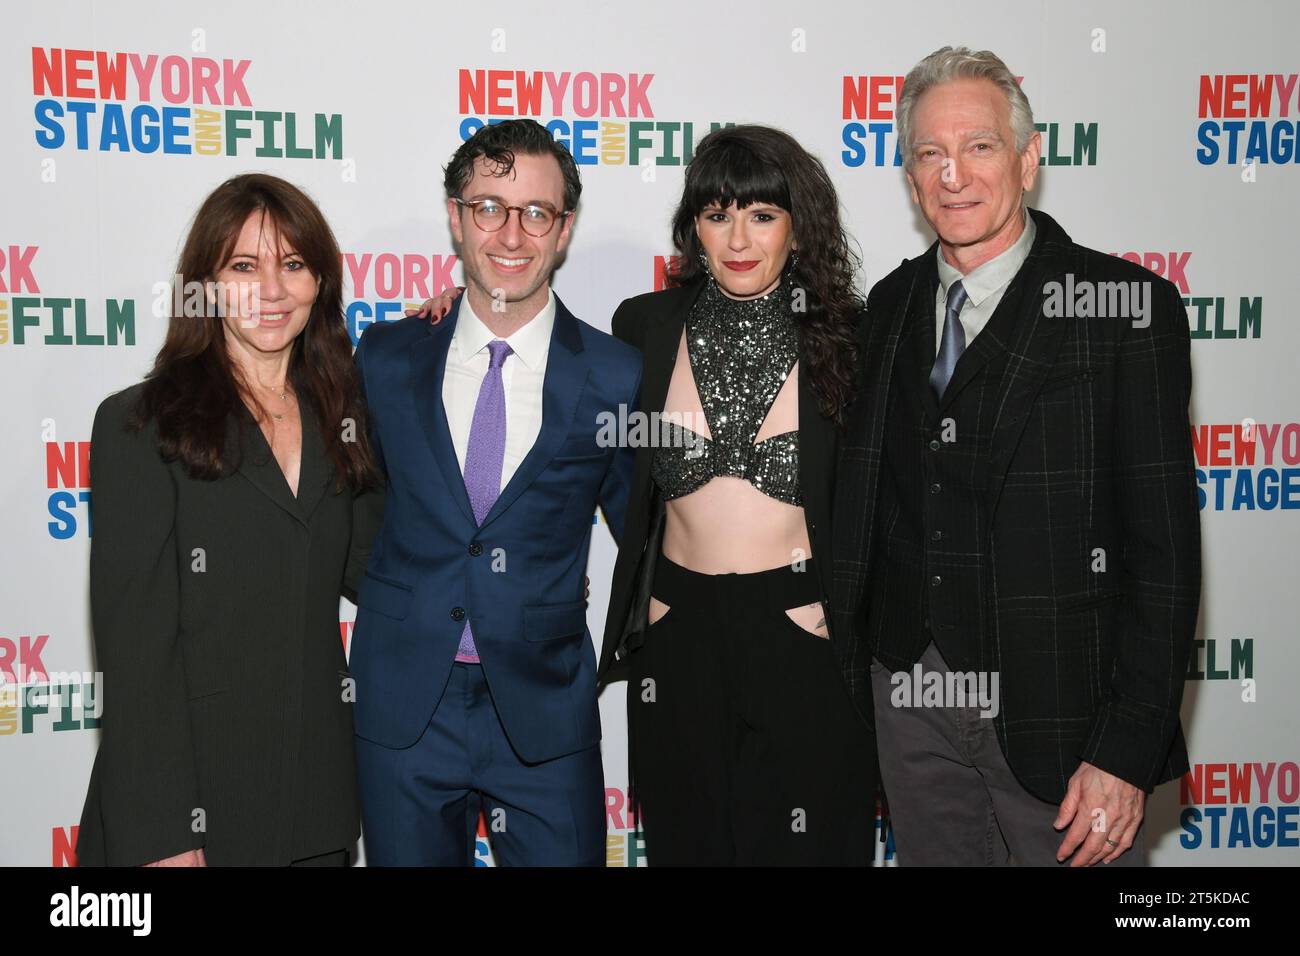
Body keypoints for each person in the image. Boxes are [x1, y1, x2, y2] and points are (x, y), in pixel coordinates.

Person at [832, 47, 1201, 866]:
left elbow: (1166, 557)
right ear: (908, 171)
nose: (953, 175)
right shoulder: (888, 307)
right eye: (929, 153)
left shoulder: (1125, 310)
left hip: (1064, 722)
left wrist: (1126, 750)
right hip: (913, 704)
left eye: (980, 147)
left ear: (1029, 161)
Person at [350, 119, 640, 866]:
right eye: (488, 208)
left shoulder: (615, 376)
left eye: (535, 212)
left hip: (544, 711)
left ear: (564, 228)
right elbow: (348, 506)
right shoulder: (384, 357)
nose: (511, 234)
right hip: (405, 704)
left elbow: (650, 538)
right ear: (456, 215)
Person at [76, 173, 383, 867]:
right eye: (244, 265)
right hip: (192, 814)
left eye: (293, 264)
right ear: (205, 283)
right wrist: (165, 836)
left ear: (320, 282)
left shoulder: (345, 420)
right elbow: (134, 659)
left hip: (317, 807)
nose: (272, 290)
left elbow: (384, 571)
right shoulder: (141, 425)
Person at [599, 125, 877, 865]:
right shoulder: (644, 325)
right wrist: (464, 309)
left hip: (802, 628)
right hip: (677, 629)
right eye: (717, 215)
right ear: (694, 226)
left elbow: (892, 493)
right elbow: (554, 374)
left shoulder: (851, 335)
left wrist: (839, 606)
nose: (738, 238)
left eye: (761, 215)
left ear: (798, 224)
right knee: (688, 846)